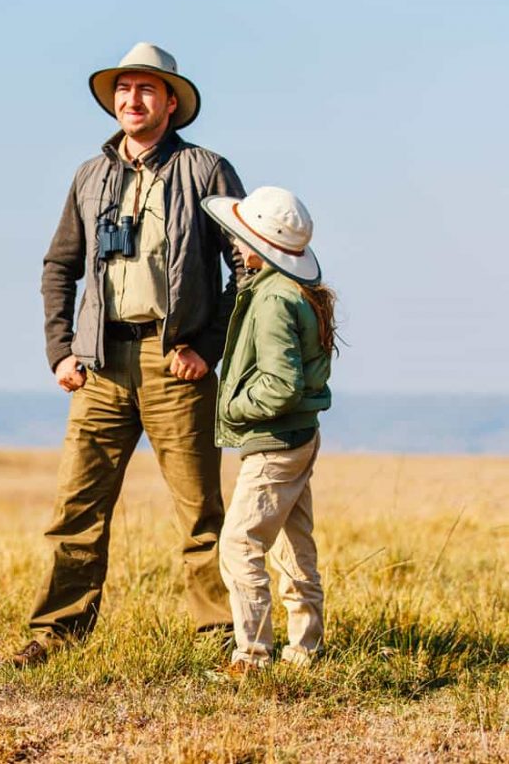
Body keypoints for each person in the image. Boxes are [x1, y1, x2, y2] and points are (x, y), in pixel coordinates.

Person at [13, 42, 246, 668]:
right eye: (123, 89)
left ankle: (223, 636)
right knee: (76, 508)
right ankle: (56, 634)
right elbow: (59, 267)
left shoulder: (207, 169)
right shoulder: (91, 176)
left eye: (146, 89)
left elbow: (245, 267)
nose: (131, 99)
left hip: (176, 365)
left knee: (201, 513)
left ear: (172, 103)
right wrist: (61, 350)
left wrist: (206, 346)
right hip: (100, 366)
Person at [200, 185, 334, 673]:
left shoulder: (273, 300)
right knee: (293, 545)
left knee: (239, 544)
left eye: (241, 236)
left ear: (261, 244)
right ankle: (305, 650)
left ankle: (251, 657)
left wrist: (233, 408)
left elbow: (281, 384)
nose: (235, 244)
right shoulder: (289, 291)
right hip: (299, 436)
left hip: (274, 442)